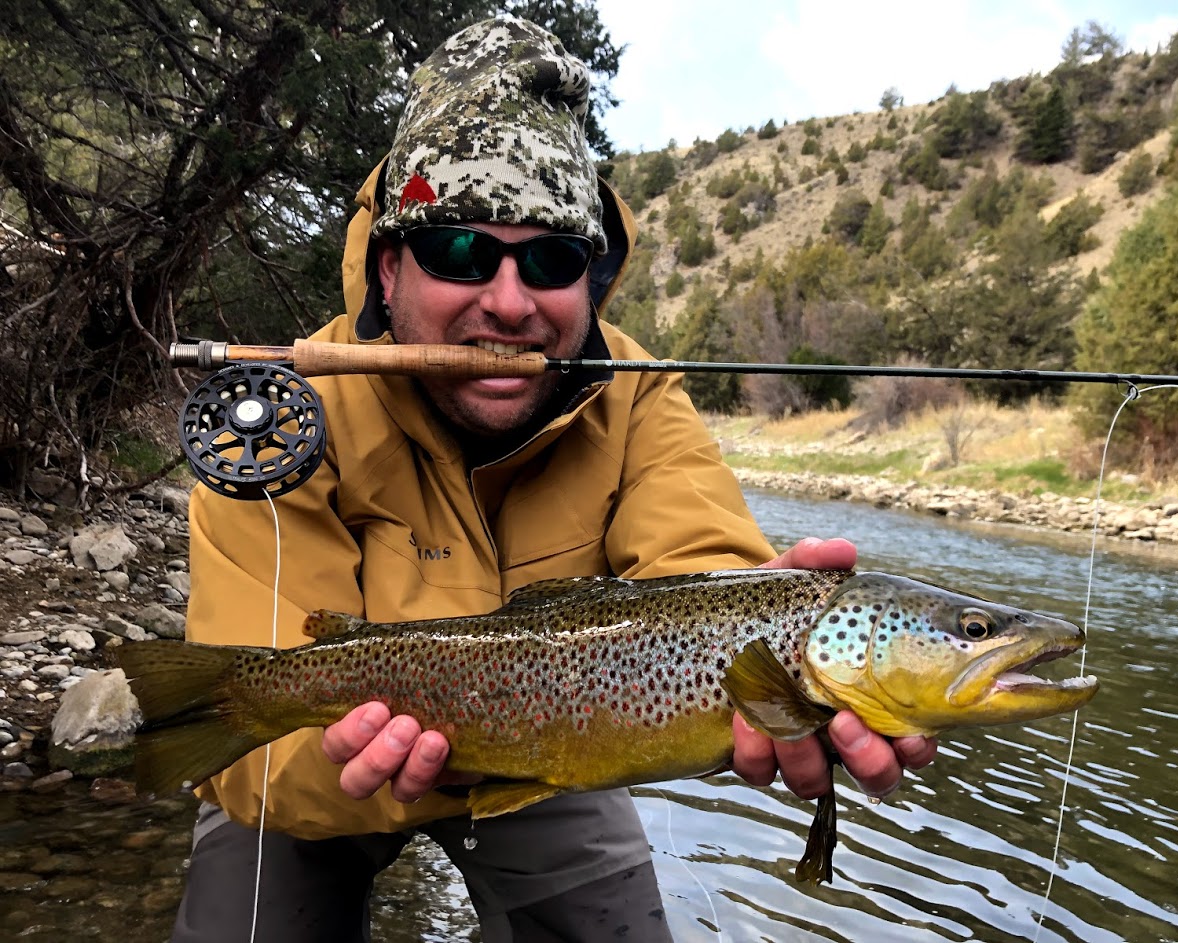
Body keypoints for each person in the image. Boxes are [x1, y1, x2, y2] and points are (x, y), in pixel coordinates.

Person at [172, 15, 937, 943]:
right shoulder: (283, 417)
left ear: (590, 275)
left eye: (550, 258)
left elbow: (698, 565)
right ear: (388, 269)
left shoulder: (636, 394)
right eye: (460, 252)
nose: (508, 301)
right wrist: (391, 757)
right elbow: (256, 757)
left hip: (564, 734)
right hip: (333, 751)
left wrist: (765, 618)